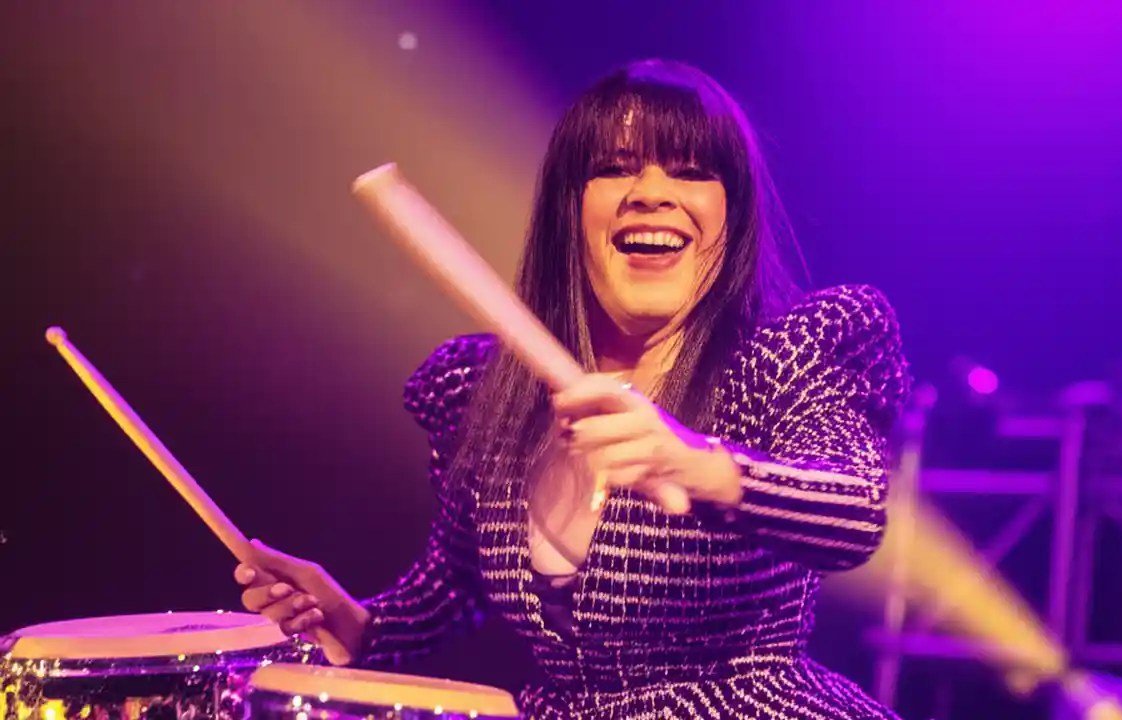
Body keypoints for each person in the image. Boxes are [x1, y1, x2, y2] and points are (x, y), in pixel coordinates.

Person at [235, 58, 909, 719]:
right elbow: (457, 583)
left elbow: (851, 510)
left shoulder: (793, 353)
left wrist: (694, 463)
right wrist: (357, 623)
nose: (649, 191)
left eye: (691, 171)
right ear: (572, 209)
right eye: (613, 169)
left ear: (731, 216)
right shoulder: (482, 390)